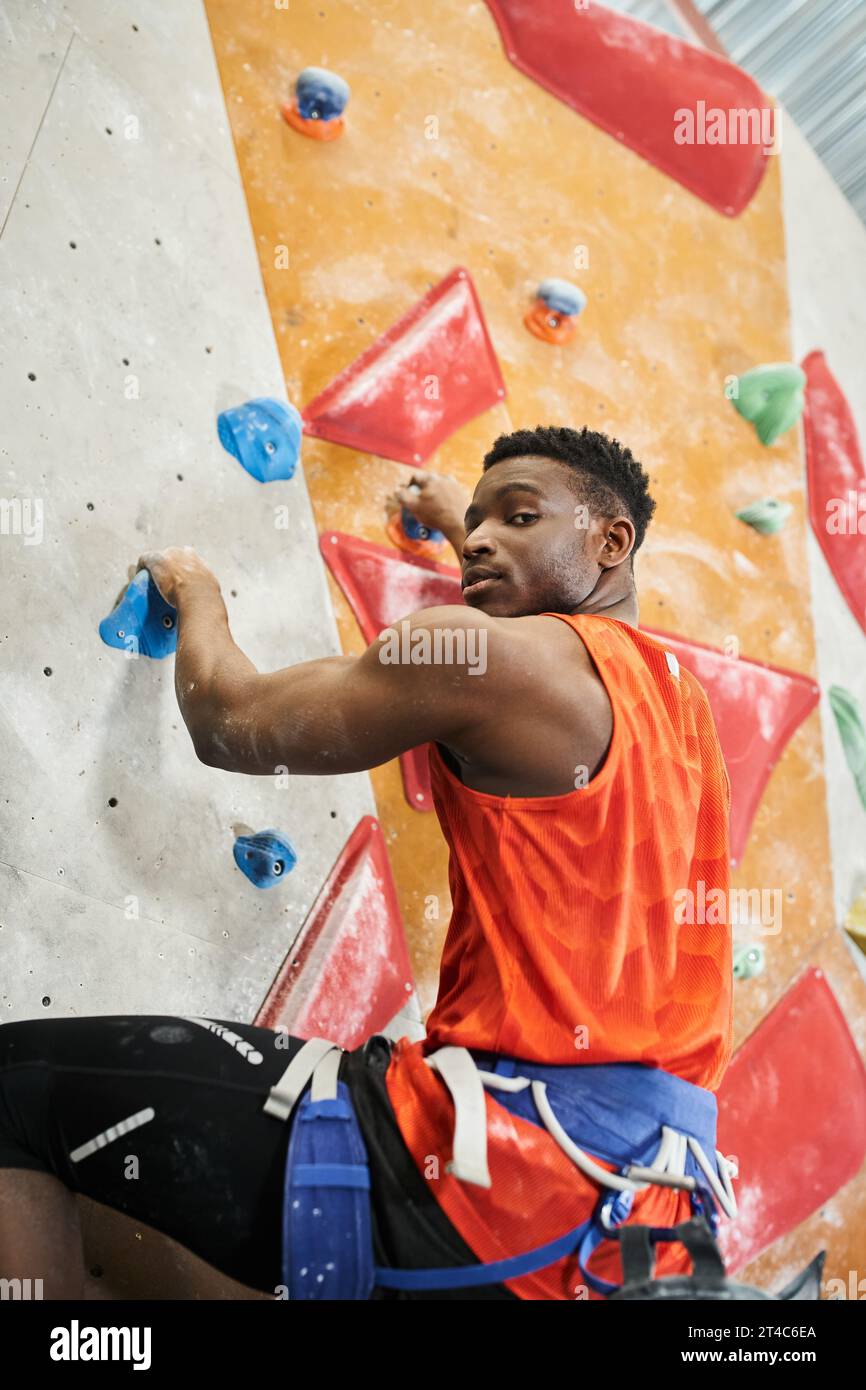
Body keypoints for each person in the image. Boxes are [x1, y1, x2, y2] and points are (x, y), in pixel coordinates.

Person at [0, 425, 735, 1300]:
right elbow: (536, 654)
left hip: (485, 1168)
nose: (486, 540)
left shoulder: (490, 659)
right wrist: (465, 531)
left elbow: (233, 722)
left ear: (613, 542)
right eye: (478, 523)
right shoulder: (686, 717)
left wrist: (196, 593)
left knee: (15, 1093)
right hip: (631, 1232)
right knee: (137, 1249)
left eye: (519, 516)